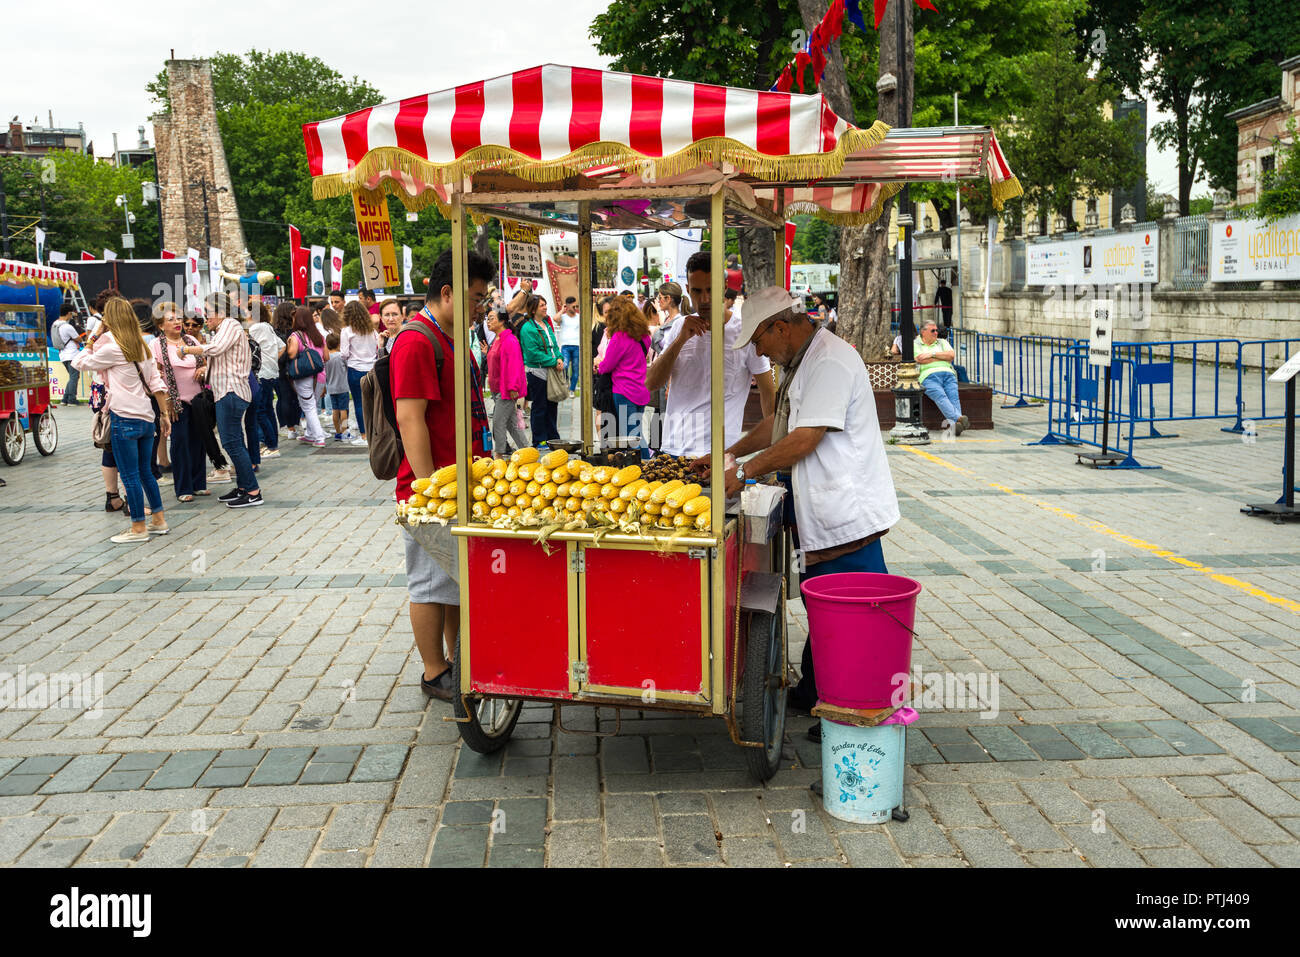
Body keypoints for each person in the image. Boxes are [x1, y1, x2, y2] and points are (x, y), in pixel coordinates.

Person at [701, 285, 900, 722]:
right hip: (825, 510)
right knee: (826, 611)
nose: (760, 351)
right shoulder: (803, 357)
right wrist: (728, 454)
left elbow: (805, 437)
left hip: (845, 512)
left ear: (779, 327)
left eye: (759, 341)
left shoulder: (828, 360)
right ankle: (815, 692)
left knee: (851, 616)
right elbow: (779, 421)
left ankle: (853, 708)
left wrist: (745, 473)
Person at [392, 248, 494, 700]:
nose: (480, 308)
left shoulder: (452, 335)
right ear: (447, 291)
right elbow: (410, 418)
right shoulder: (417, 340)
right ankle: (435, 671)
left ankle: (459, 659)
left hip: (460, 482)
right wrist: (432, 489)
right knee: (430, 584)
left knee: (455, 580)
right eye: (475, 298)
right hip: (433, 489)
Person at [645, 251, 776, 458]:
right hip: (674, 449)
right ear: (688, 290)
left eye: (711, 289)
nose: (704, 299)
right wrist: (680, 340)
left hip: (719, 452)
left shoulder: (745, 332)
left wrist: (773, 446)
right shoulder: (679, 326)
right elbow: (651, 383)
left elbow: (768, 391)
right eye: (697, 291)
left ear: (724, 287)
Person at [73, 298, 172, 542]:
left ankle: (138, 528)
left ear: (109, 320)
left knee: (128, 475)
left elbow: (78, 362)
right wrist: (165, 414)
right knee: (145, 473)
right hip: (146, 417)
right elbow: (156, 382)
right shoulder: (142, 347)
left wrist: (93, 336)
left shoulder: (112, 348)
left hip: (124, 417)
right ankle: (159, 520)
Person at [178, 292, 263, 507]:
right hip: (227, 391)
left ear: (220, 311)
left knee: (231, 442)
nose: (206, 319)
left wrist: (186, 349)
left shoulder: (230, 324)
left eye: (208, 313)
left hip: (231, 391)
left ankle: (253, 491)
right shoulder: (226, 327)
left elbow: (215, 349)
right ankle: (244, 487)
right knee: (234, 441)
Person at [152, 301, 206, 502]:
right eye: (171, 319)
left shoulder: (191, 340)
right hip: (175, 401)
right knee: (180, 442)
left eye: (179, 318)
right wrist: (166, 400)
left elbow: (205, 361)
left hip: (198, 399)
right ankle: (184, 487)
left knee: (199, 440)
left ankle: (199, 484)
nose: (177, 322)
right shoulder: (157, 345)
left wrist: (203, 369)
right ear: (160, 325)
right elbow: (155, 374)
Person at [595, 296, 652, 455]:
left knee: (633, 436)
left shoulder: (619, 337)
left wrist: (599, 364)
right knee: (636, 430)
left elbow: (607, 366)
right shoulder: (644, 336)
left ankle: (645, 465)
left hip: (623, 391)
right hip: (640, 390)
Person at [518, 294, 563, 448]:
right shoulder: (528, 328)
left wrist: (559, 357)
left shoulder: (546, 324)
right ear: (533, 309)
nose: (545, 307)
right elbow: (532, 353)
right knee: (539, 406)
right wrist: (553, 361)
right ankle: (539, 439)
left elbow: (554, 345)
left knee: (552, 405)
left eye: (545, 304)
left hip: (550, 371)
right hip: (537, 372)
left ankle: (552, 436)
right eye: (541, 305)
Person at [284, 305, 329, 448]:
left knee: (308, 407)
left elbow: (291, 354)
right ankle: (310, 434)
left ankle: (319, 437)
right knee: (312, 405)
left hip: (304, 376)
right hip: (320, 375)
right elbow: (326, 357)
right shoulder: (319, 336)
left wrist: (286, 346)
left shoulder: (296, 336)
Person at [485, 308, 529, 457]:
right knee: (511, 424)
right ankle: (527, 451)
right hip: (497, 390)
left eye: (491, 318)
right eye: (487, 319)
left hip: (506, 390)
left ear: (502, 321)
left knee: (498, 423)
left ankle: (499, 455)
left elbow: (514, 365)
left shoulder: (509, 340)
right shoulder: (497, 339)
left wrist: (512, 387)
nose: (488, 321)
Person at [915, 318, 968, 434]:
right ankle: (958, 419)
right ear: (923, 332)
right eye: (932, 331)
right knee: (940, 396)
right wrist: (941, 357)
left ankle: (956, 425)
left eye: (936, 330)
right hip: (928, 376)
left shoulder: (942, 342)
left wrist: (932, 354)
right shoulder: (916, 343)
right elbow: (920, 359)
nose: (936, 333)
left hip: (948, 374)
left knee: (954, 397)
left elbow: (951, 356)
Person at [340, 300, 380, 445]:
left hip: (355, 369)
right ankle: (376, 432)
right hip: (372, 369)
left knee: (359, 403)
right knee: (374, 402)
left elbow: (344, 354)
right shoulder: (372, 331)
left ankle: (364, 435)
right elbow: (377, 348)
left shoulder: (347, 331)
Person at [248, 302, 283, 458]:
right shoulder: (267, 327)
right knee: (268, 409)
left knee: (261, 411)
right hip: (271, 372)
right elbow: (282, 346)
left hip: (261, 372)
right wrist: (272, 360)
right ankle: (272, 443)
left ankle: (272, 445)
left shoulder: (255, 328)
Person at [52, 303, 85, 405]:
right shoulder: (67, 326)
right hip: (72, 354)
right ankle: (72, 400)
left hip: (62, 354)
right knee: (74, 377)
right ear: (68, 313)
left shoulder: (55, 324)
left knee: (72, 377)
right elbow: (79, 338)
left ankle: (65, 399)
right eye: (71, 313)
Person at [323, 332, 351, 440]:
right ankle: (344, 431)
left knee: (335, 410)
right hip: (343, 387)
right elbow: (348, 368)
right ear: (339, 344)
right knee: (343, 410)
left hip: (331, 387)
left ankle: (338, 432)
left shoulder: (326, 358)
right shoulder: (341, 357)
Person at [557, 296, 582, 396]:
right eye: (573, 306)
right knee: (565, 366)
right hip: (565, 345)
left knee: (576, 369)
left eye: (576, 306)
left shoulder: (579, 317)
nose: (575, 308)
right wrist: (562, 310)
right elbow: (555, 318)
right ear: (567, 306)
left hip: (576, 345)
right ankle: (566, 382)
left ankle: (572, 389)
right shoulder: (563, 317)